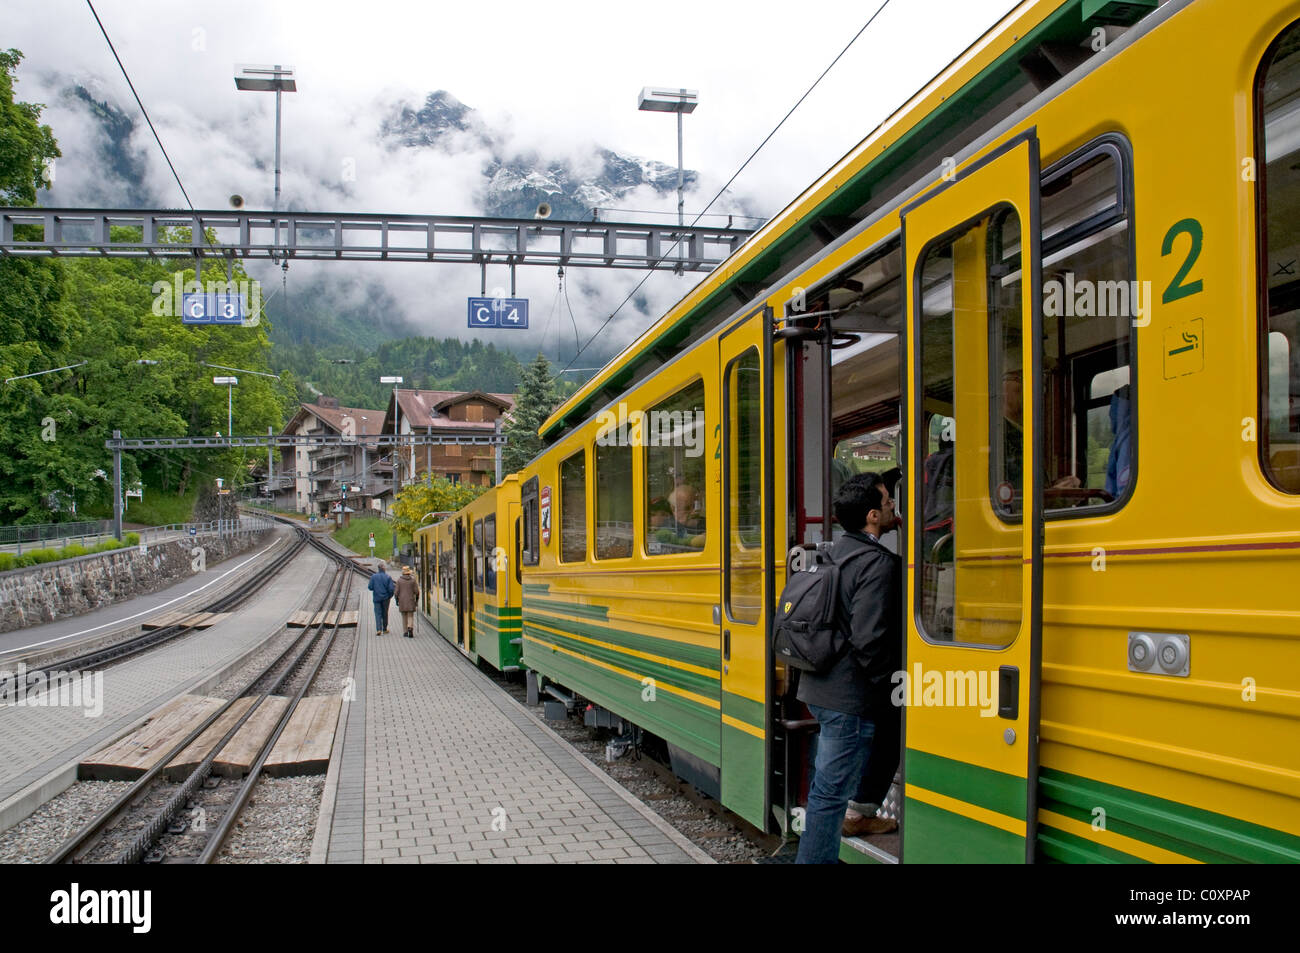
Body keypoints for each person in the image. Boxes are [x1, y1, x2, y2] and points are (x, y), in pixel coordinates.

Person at [796, 473, 902, 863]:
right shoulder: (878, 563)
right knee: (829, 795)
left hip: (819, 687)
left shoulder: (833, 553)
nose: (894, 507)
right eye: (889, 502)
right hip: (849, 699)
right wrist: (886, 685)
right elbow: (869, 638)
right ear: (873, 516)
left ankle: (863, 812)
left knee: (828, 787)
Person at [367, 560, 395, 635]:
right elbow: (391, 589)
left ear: (378, 568)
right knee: (385, 613)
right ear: (384, 569)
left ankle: (378, 629)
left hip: (376, 598)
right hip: (386, 598)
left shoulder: (373, 576)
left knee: (377, 613)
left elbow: (370, 587)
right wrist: (389, 596)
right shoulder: (388, 577)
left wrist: (376, 589)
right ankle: (385, 629)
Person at [395, 565, 420, 639]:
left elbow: (396, 592)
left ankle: (405, 631)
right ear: (409, 573)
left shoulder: (399, 581)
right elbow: (417, 591)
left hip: (402, 601)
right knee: (410, 616)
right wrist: (417, 600)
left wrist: (397, 600)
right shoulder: (413, 580)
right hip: (410, 601)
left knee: (404, 616)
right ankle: (410, 628)